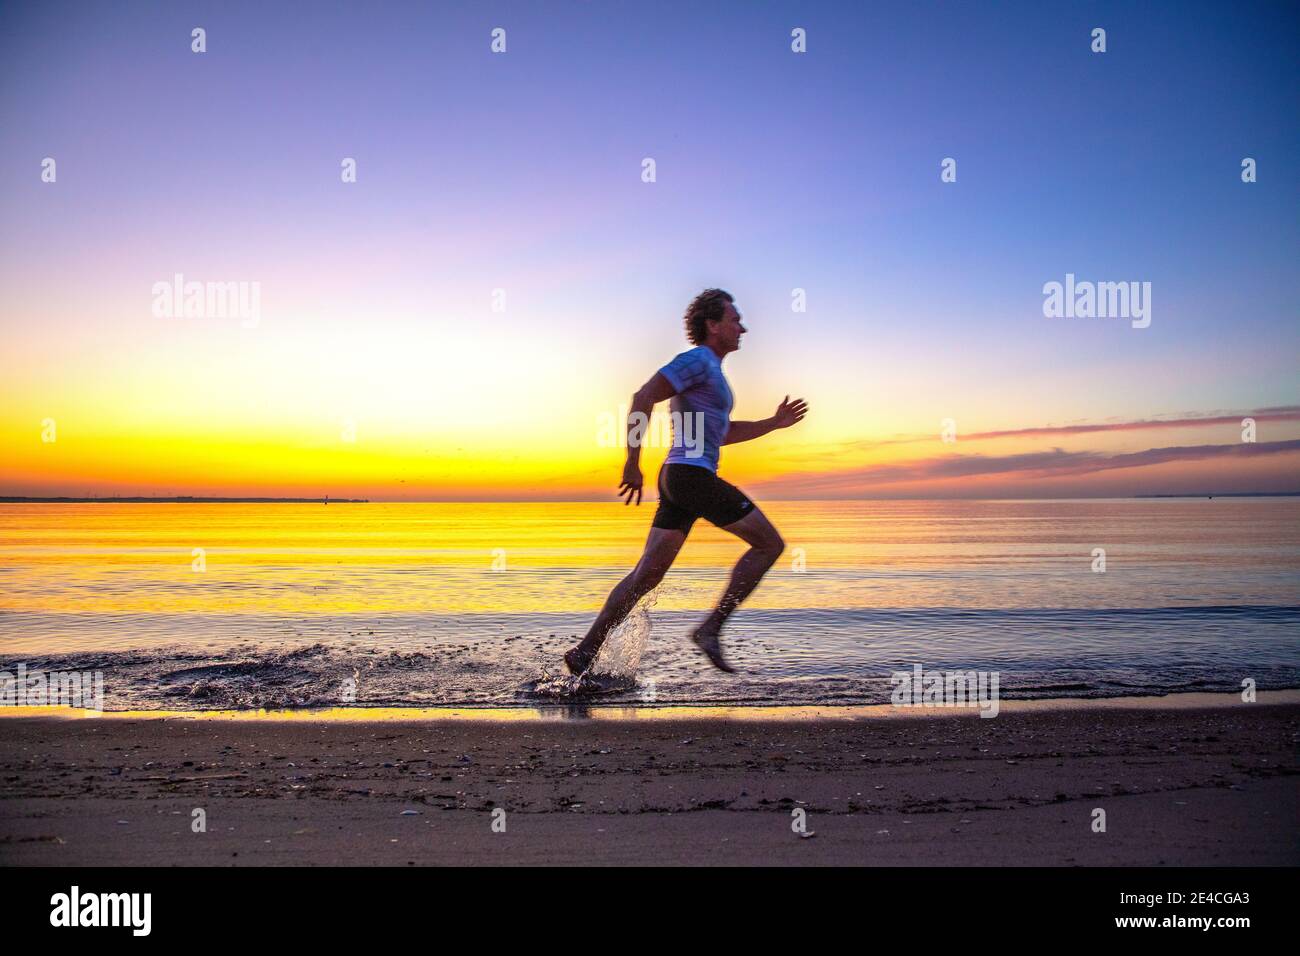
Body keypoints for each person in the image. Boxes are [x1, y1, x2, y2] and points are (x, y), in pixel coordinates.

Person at [564, 289, 807, 675]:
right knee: (769, 544)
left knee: (647, 574)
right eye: (734, 319)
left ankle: (585, 651)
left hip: (682, 479)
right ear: (712, 325)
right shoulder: (697, 361)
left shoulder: (713, 375)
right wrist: (631, 461)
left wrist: (773, 423)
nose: (742, 326)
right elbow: (643, 395)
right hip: (690, 476)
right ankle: (710, 629)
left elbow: (721, 433)